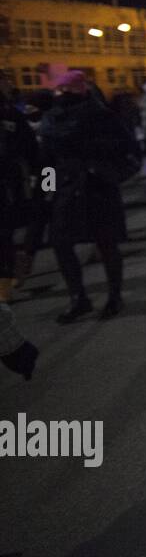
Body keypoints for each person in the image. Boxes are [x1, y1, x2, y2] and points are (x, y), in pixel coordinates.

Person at [39, 70, 137, 322]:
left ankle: (114, 296)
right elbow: (47, 161)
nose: (60, 94)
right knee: (61, 243)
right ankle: (78, 298)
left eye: (64, 89)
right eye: (58, 90)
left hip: (97, 185)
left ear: (78, 90)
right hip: (66, 188)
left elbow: (126, 148)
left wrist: (106, 170)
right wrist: (48, 190)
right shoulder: (51, 119)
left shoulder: (101, 115)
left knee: (106, 243)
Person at [0, 76, 40, 379]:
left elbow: (34, 155)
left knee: (5, 241)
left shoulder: (11, 116)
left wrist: (45, 188)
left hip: (9, 192)